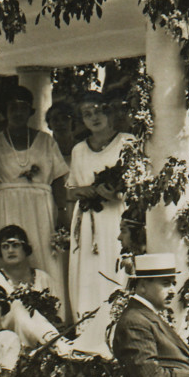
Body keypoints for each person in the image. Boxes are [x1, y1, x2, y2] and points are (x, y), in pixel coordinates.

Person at [0, 85, 69, 308]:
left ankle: (54, 313)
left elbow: (58, 179)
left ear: (30, 111)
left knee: (45, 254)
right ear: (4, 111)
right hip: (8, 205)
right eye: (12, 107)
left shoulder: (46, 141)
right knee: (11, 252)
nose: (18, 112)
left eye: (23, 107)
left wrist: (62, 212)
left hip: (41, 206)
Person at [67, 89, 131, 352]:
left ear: (109, 111)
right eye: (86, 114)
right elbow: (70, 190)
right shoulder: (79, 150)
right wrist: (85, 190)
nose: (94, 118)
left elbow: (140, 185)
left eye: (98, 111)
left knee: (114, 265)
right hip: (87, 219)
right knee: (88, 272)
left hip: (116, 218)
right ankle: (88, 333)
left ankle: (117, 331)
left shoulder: (127, 142)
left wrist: (117, 192)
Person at [0, 224, 60, 348]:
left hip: (42, 341)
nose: (10, 251)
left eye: (16, 245)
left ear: (25, 248)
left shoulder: (43, 277)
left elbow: (58, 313)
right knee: (17, 306)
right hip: (6, 341)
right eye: (5, 247)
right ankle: (55, 345)